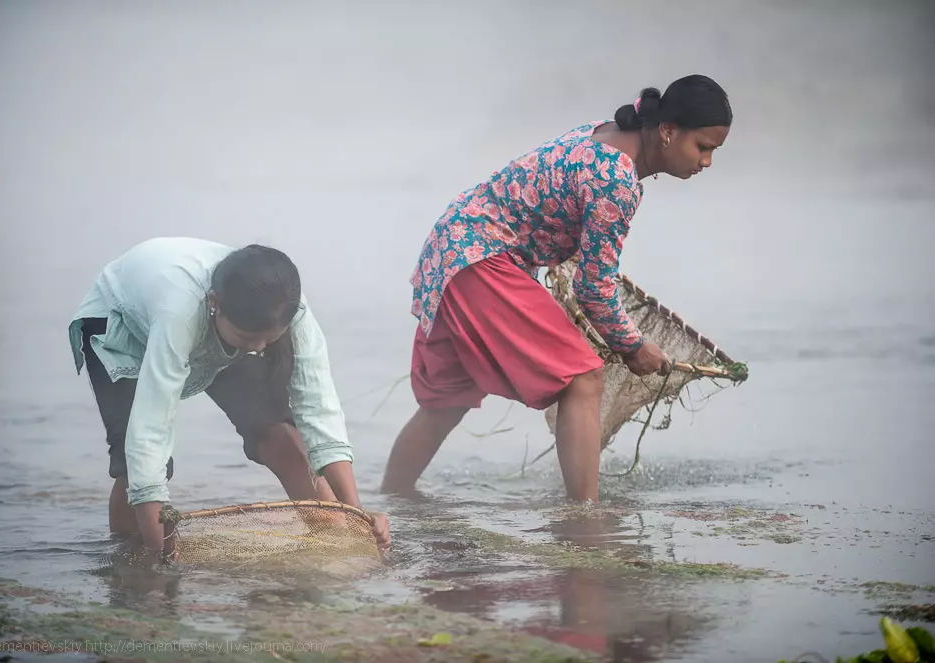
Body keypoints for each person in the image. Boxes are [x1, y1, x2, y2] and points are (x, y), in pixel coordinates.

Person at [380, 74, 732, 502]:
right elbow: (593, 289)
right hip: (481, 261)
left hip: (451, 248)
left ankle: (391, 504)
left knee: (446, 402)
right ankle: (585, 523)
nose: (708, 162)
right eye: (703, 147)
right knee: (583, 378)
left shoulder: (607, 133)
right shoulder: (616, 181)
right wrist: (633, 346)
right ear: (668, 131)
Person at [69, 237, 391, 561]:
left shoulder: (284, 306)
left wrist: (359, 518)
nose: (259, 349)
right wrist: (158, 557)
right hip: (120, 322)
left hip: (222, 320)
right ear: (214, 303)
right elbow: (150, 431)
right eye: (249, 339)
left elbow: (318, 407)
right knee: (134, 462)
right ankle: (132, 557)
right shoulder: (179, 313)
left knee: (274, 429)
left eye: (271, 339)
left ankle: (333, 533)